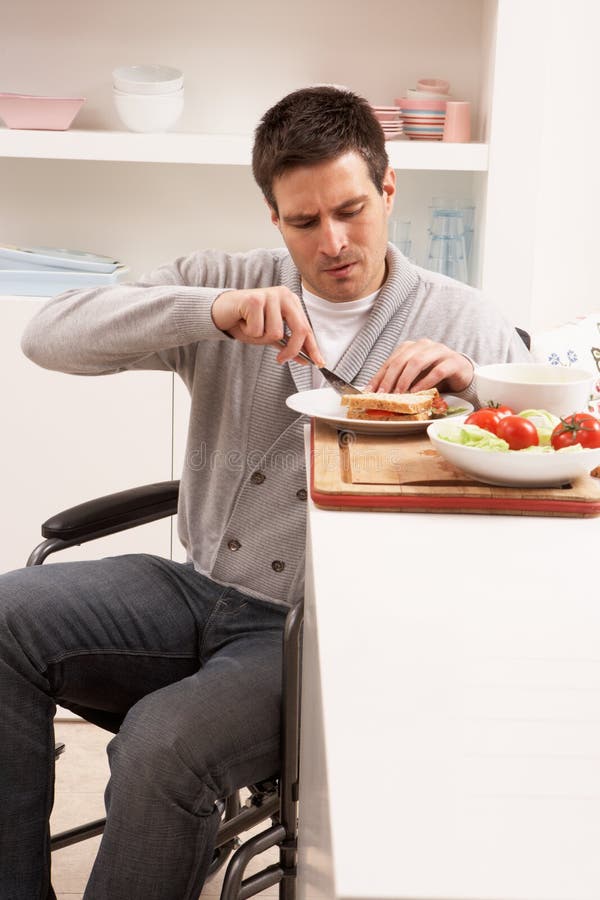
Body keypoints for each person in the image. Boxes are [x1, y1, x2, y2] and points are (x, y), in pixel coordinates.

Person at [0, 85, 530, 899]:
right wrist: (208, 312)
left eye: (352, 209)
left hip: (317, 635)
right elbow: (48, 334)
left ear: (389, 191)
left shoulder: (464, 320)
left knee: (160, 744)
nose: (335, 241)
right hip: (192, 588)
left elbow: (542, 473)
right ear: (274, 219)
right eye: (304, 221)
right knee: (6, 617)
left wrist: (474, 396)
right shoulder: (232, 285)